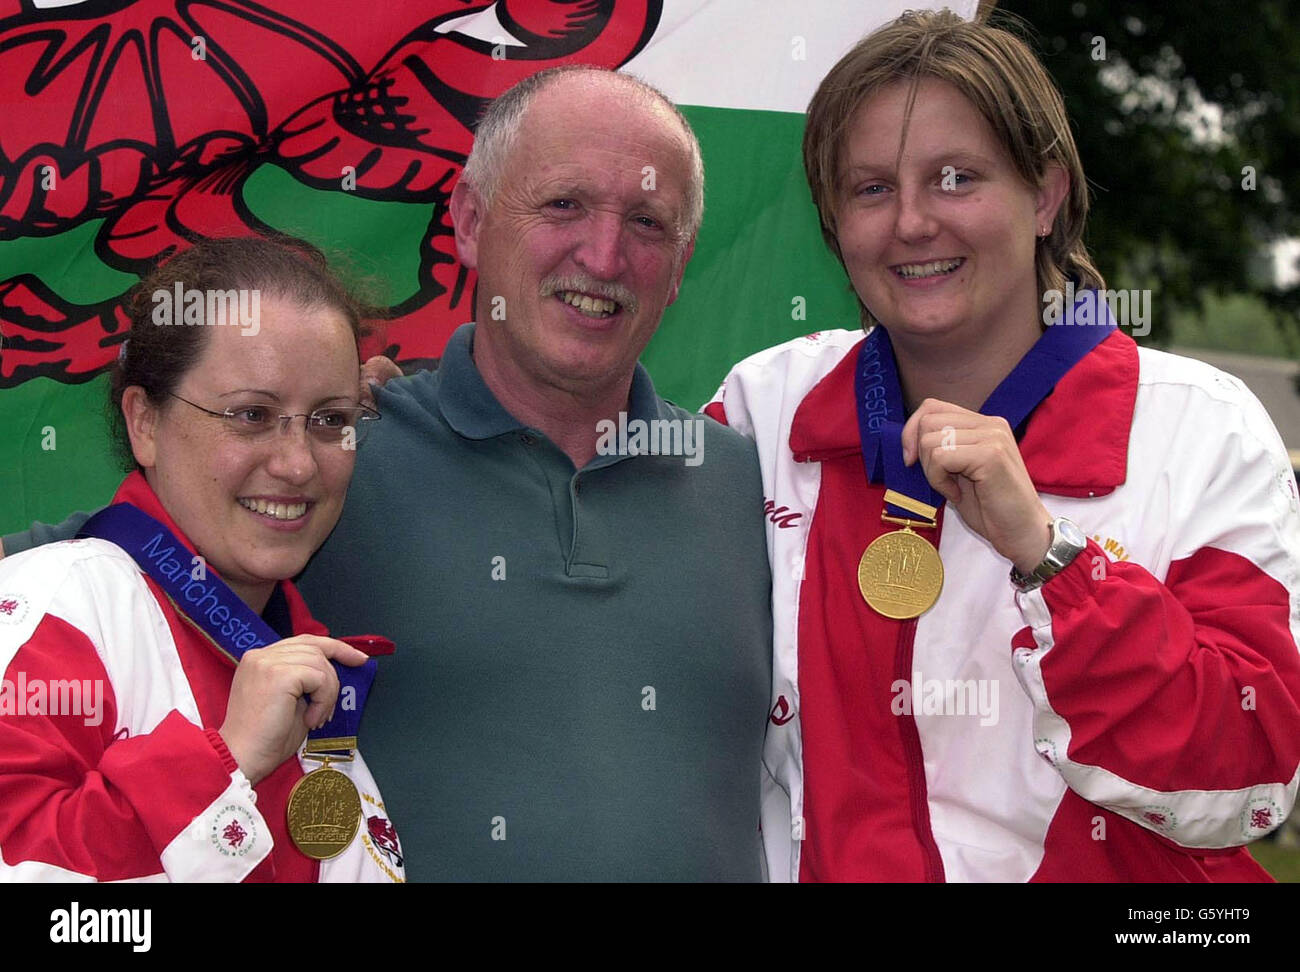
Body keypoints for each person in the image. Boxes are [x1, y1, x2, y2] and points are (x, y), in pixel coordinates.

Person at [3, 68, 775, 881]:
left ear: (681, 264)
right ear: (470, 221)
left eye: (647, 221)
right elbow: (105, 563)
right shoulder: (325, 473)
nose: (604, 252)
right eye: (563, 204)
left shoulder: (748, 486)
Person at [705, 9, 1300, 882]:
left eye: (956, 179)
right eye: (871, 188)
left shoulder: (1202, 428)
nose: (911, 222)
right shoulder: (764, 409)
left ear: (1047, 195)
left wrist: (1053, 563)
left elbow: (1252, 773)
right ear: (833, 221)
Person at [0, 237, 404, 882]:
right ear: (146, 423)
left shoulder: (308, 656)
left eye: (329, 420)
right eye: (250, 414)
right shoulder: (59, 608)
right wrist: (224, 760)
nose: (298, 463)